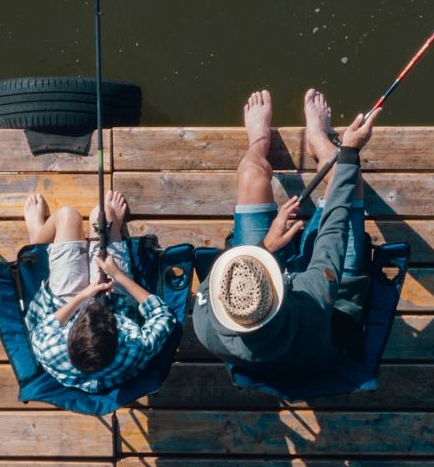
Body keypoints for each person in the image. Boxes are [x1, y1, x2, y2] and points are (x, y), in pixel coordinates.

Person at [194, 88, 378, 379]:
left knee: (251, 174)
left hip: (291, 313)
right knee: (345, 177)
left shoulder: (206, 324)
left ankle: (259, 141)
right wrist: (350, 152)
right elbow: (333, 231)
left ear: (222, 299)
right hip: (330, 302)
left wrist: (267, 245)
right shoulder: (314, 298)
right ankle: (319, 141)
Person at [21, 186, 177, 394]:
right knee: (103, 214)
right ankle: (113, 229)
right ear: (118, 338)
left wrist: (83, 296)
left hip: (66, 302)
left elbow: (42, 329)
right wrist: (118, 275)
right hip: (117, 300)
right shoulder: (134, 348)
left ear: (70, 337)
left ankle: (38, 236)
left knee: (68, 216)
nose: (93, 304)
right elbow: (163, 315)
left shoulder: (51, 349)